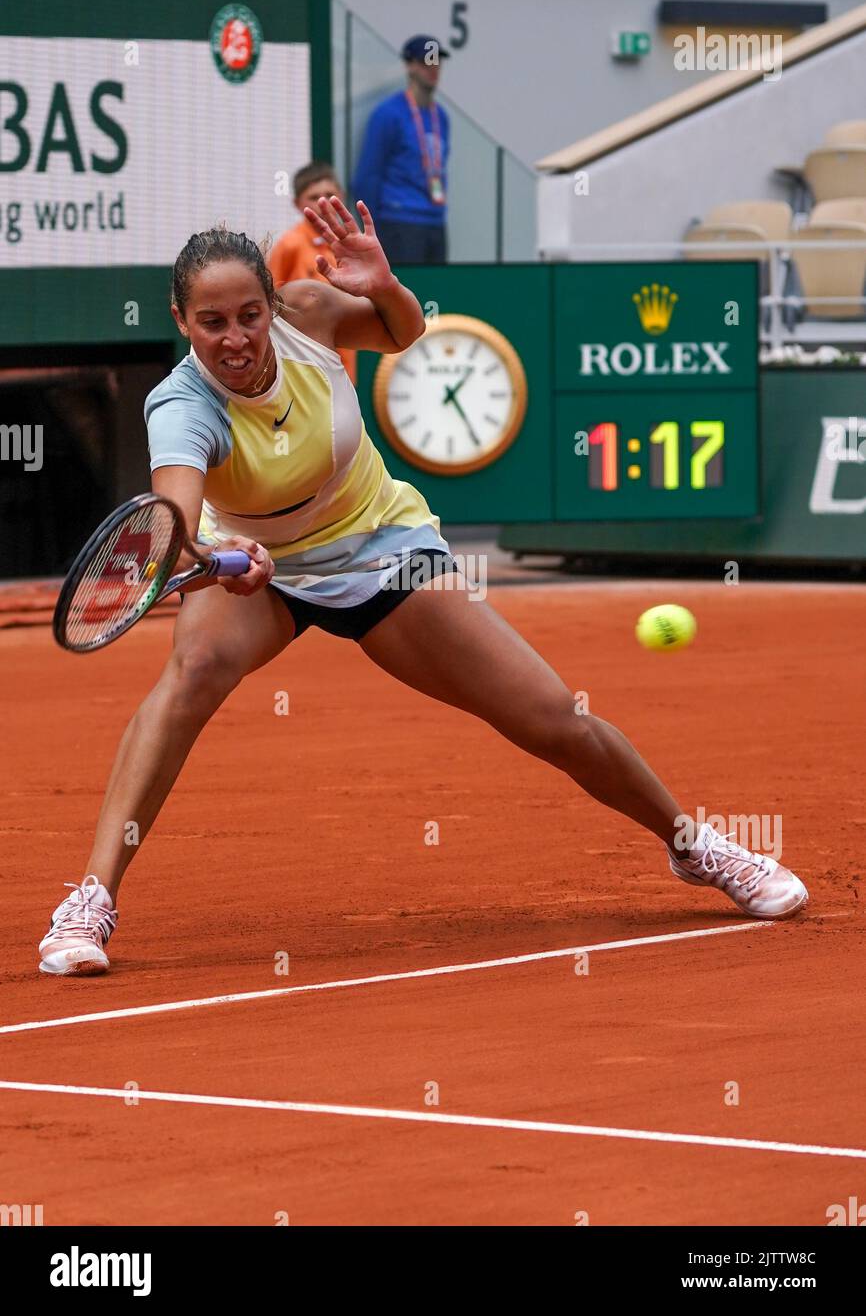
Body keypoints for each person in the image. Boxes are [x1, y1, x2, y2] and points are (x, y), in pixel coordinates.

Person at [38, 196, 808, 976]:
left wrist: (385, 285)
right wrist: (228, 557)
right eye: (212, 323)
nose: (235, 339)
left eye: (248, 314)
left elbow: (403, 333)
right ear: (181, 319)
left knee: (551, 717)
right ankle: (92, 899)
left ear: (273, 303)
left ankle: (694, 846)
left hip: (379, 543)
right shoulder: (181, 404)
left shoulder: (309, 311)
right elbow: (177, 529)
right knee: (192, 673)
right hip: (264, 571)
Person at [352, 35, 450, 265]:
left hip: (435, 220)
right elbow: (368, 175)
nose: (433, 68)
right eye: (426, 61)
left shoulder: (441, 117)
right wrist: (373, 231)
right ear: (410, 65)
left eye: (437, 61)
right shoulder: (388, 114)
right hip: (399, 220)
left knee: (437, 293)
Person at [268, 161, 356, 382]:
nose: (323, 202)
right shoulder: (290, 245)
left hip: (343, 354)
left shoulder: (351, 244)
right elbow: (268, 301)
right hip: (301, 357)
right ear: (298, 203)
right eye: (314, 197)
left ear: (342, 196)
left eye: (329, 194)